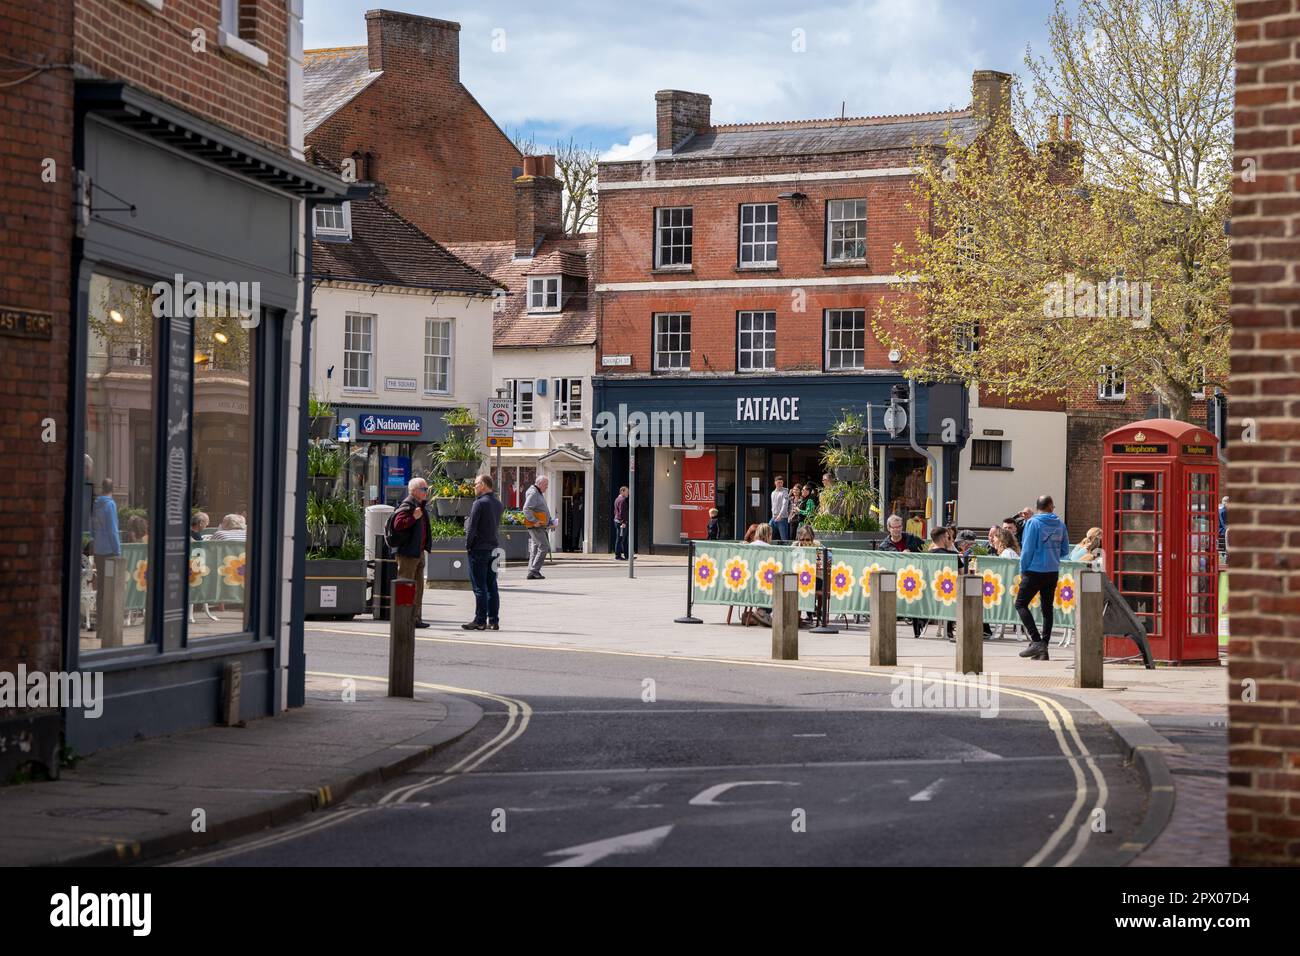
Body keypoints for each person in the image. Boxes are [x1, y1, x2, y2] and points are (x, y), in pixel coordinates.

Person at [1016, 494, 1072, 661]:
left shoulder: (1033, 523)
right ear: (1049, 506)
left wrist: (1023, 569)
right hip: (1052, 572)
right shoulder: (1060, 524)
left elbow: (1027, 550)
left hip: (1034, 570)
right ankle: (1044, 648)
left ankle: (1036, 641)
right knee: (1047, 608)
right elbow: (1064, 550)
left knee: (1020, 604)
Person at [462, 473, 505, 631]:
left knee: (479, 587)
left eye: (476, 484)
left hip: (479, 549)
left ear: (484, 485)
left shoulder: (479, 504)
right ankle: (493, 620)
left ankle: (480, 620)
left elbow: (472, 528)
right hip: (494, 548)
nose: (474, 487)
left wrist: (468, 545)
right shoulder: (498, 503)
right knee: (492, 585)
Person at [389, 477, 433, 629]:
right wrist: (413, 518)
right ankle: (403, 618)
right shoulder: (408, 505)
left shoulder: (419, 505)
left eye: (427, 489)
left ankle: (415, 619)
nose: (427, 492)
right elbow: (398, 524)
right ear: (414, 491)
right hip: (408, 554)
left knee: (418, 589)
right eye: (424, 489)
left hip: (418, 553)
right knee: (405, 587)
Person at [923, 526, 959, 642]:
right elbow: (963, 573)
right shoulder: (953, 555)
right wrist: (951, 548)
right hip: (950, 594)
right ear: (944, 538)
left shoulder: (926, 556)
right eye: (948, 537)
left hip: (930, 593)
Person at [523, 475, 556, 580]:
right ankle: (534, 570)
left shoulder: (537, 493)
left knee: (536, 548)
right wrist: (535, 521)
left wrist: (550, 521)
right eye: (546, 485)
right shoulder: (534, 493)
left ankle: (531, 571)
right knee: (544, 547)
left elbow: (542, 509)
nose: (547, 487)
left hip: (539, 525)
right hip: (536, 526)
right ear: (539, 483)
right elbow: (526, 509)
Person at [770, 477, 791, 542]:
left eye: (781, 482)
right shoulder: (773, 493)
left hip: (782, 518)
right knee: (767, 535)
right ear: (775, 483)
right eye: (778, 482)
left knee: (784, 539)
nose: (780, 484)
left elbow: (784, 505)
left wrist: (780, 515)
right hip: (773, 518)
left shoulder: (784, 492)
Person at [613, 485, 630, 560]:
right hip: (621, 522)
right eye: (627, 492)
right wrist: (623, 522)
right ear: (622, 491)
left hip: (617, 521)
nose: (628, 493)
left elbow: (615, 511)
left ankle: (627, 555)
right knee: (620, 539)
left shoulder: (617, 499)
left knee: (624, 539)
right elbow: (621, 512)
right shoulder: (622, 500)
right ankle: (618, 556)